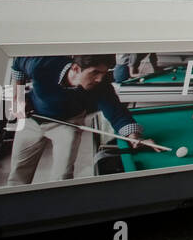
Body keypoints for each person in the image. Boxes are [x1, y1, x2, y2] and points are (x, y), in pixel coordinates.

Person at [8, 55, 156, 184]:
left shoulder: (100, 85)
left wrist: (134, 137)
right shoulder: (42, 64)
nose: (99, 79)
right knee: (17, 174)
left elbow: (117, 113)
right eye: (95, 72)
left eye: (104, 73)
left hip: (68, 123)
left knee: (62, 177)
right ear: (76, 68)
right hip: (32, 118)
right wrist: (18, 98)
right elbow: (17, 65)